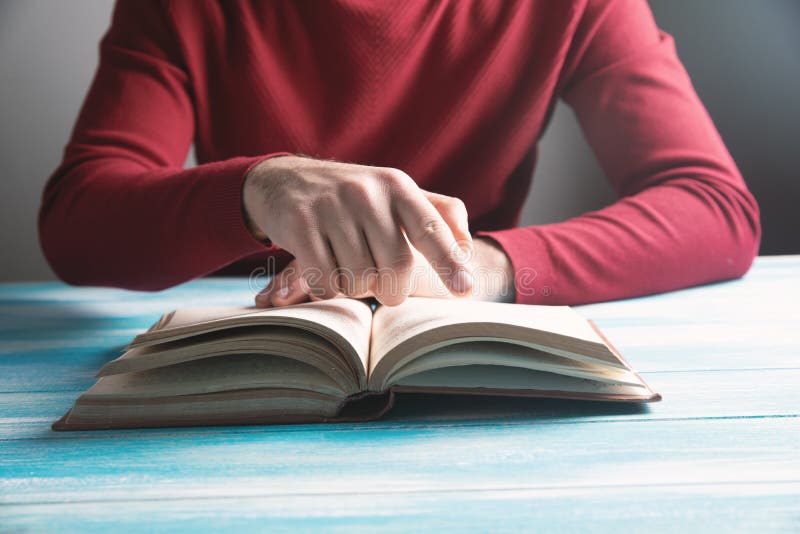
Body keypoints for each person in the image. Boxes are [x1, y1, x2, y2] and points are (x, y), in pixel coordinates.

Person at [39, 0, 760, 308]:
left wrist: (480, 267)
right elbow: (77, 223)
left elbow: (714, 207)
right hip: (244, 355)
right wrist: (260, 187)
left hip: (462, 353)